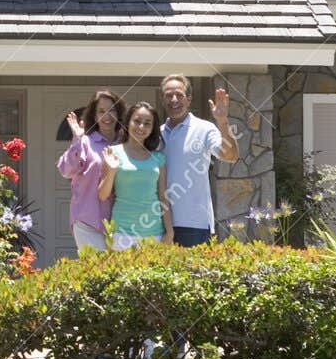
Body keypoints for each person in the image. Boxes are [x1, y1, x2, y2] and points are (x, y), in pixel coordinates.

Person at [158, 74, 239, 247]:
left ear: (189, 99)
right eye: (168, 95)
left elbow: (230, 156)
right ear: (163, 100)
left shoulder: (204, 129)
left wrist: (222, 121)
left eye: (179, 95)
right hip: (157, 223)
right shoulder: (155, 134)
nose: (174, 100)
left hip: (194, 224)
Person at [57, 89, 125, 252]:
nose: (107, 116)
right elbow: (66, 171)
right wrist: (77, 139)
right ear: (95, 116)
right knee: (97, 271)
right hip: (88, 220)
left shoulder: (125, 144)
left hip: (121, 221)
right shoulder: (85, 142)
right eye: (101, 111)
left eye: (112, 110)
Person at [97, 101, 172, 249]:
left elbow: (163, 196)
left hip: (154, 233)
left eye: (147, 123)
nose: (141, 127)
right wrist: (111, 171)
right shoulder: (113, 152)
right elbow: (102, 195)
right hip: (121, 233)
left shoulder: (158, 158)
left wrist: (169, 231)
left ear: (152, 128)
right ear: (128, 122)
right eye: (137, 121)